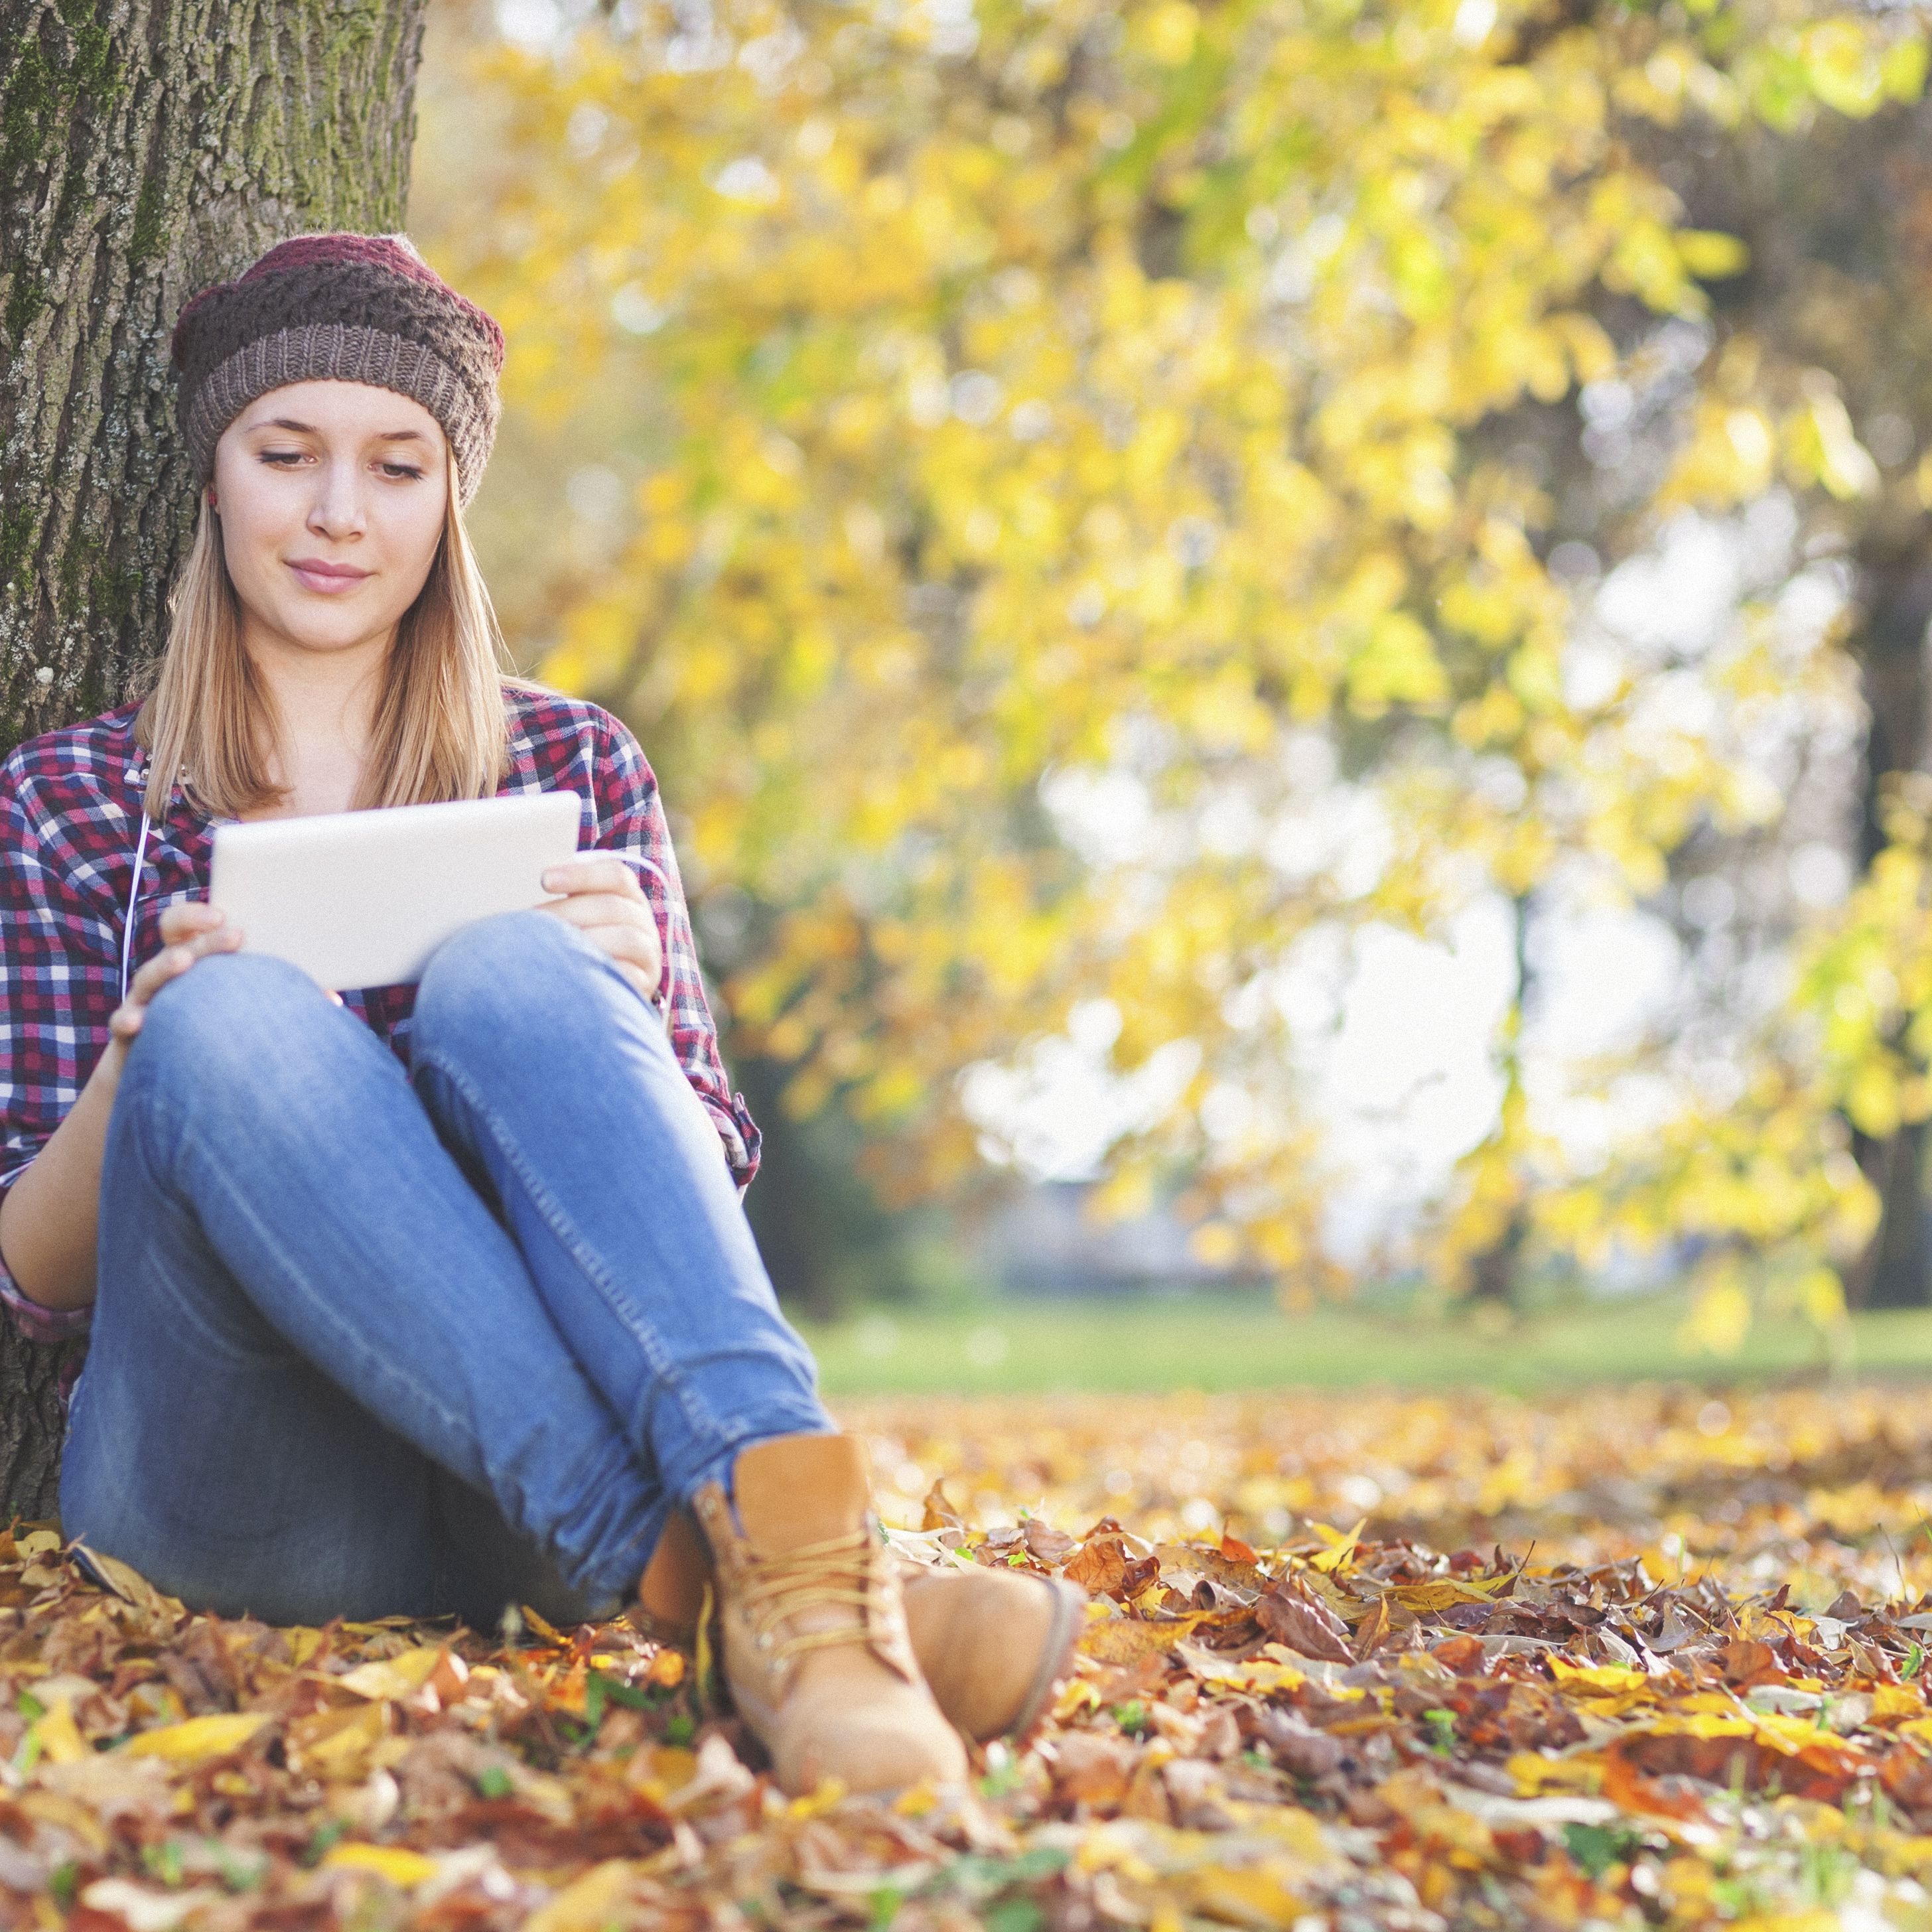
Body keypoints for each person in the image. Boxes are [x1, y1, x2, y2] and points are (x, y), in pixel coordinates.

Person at [0, 235, 1080, 1796]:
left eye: (396, 465)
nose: (336, 514)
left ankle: (794, 1577)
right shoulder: (68, 805)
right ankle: (810, 1615)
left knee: (518, 967)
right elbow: (29, 1279)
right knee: (225, 1019)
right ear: (216, 473)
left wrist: (620, 993)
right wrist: (139, 1067)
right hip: (231, 1494)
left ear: (450, 500)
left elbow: (688, 1184)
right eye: (284, 454)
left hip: (513, 1510)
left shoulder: (573, 770)